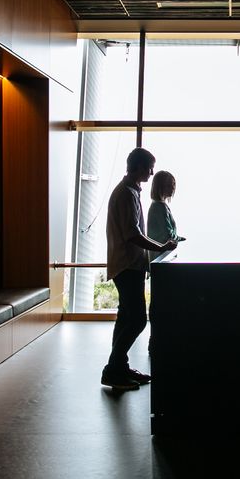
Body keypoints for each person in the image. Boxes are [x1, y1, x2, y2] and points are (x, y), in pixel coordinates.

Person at [101, 147, 178, 390]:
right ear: (138, 167)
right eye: (149, 167)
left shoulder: (130, 191)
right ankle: (113, 369)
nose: (151, 172)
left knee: (125, 318)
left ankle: (119, 367)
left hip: (128, 264)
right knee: (137, 320)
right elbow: (132, 234)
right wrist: (161, 246)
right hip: (127, 264)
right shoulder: (126, 193)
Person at [146, 170, 182, 260]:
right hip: (160, 256)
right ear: (160, 187)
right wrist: (179, 238)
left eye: (173, 185)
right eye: (169, 185)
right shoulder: (159, 207)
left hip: (160, 255)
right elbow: (167, 233)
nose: (172, 188)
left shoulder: (158, 205)